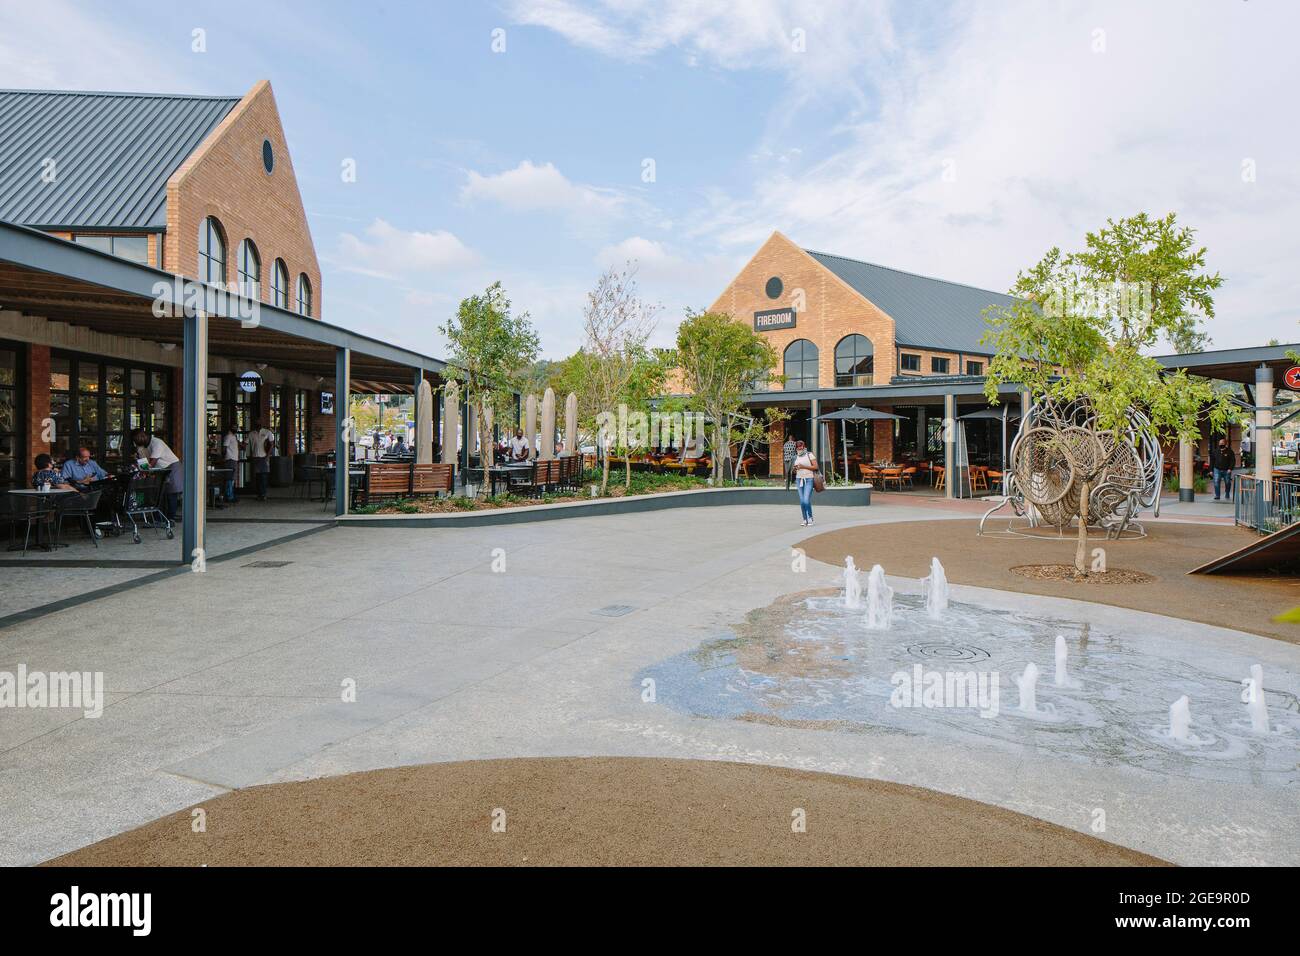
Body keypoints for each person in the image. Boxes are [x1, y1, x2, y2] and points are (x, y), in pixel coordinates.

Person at [131, 428, 181, 520]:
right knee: (158, 493)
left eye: (136, 439)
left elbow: (151, 463)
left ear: (142, 436)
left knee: (171, 493)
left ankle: (171, 518)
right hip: (159, 469)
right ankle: (159, 517)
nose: (135, 443)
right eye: (134, 441)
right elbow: (144, 464)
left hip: (172, 466)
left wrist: (143, 469)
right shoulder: (141, 447)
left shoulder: (157, 443)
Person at [792, 439, 818, 526]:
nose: (799, 448)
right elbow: (794, 471)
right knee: (802, 501)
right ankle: (804, 519)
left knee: (806, 500)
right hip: (799, 479)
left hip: (809, 479)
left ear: (804, 446)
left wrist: (803, 466)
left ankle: (810, 518)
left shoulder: (809, 454)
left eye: (801, 446)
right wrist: (795, 469)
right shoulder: (795, 457)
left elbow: (815, 467)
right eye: (798, 447)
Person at [247, 420, 275, 500]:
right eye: (257, 423)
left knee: (264, 476)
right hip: (255, 457)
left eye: (259, 423)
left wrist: (267, 455)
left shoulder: (267, 432)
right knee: (257, 477)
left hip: (264, 457)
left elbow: (271, 444)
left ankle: (263, 494)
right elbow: (245, 444)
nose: (258, 424)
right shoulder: (251, 434)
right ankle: (259, 494)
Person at [1211, 437, 1236, 501]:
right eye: (1220, 443)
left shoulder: (1230, 452)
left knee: (1227, 482)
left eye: (1222, 443)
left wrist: (1230, 469)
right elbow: (1212, 461)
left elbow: (1233, 461)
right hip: (1217, 469)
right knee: (1216, 482)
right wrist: (1211, 470)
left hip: (1226, 470)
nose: (1220, 444)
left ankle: (1227, 493)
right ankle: (1217, 495)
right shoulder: (1215, 451)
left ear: (1225, 444)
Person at [221, 424, 240, 504]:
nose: (236, 429)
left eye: (236, 427)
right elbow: (224, 448)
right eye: (234, 427)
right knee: (229, 478)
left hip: (234, 459)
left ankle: (230, 494)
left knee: (232, 479)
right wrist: (224, 457)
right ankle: (229, 496)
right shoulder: (228, 436)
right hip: (230, 459)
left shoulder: (234, 436)